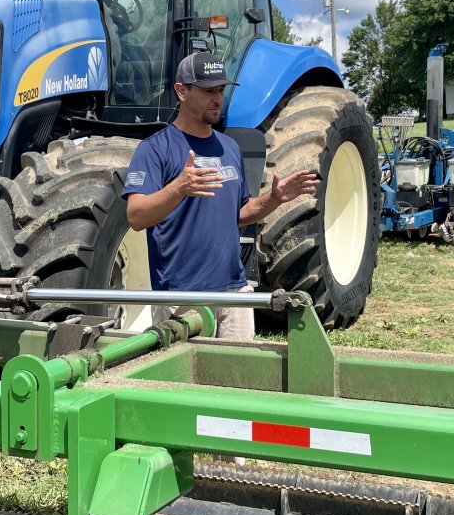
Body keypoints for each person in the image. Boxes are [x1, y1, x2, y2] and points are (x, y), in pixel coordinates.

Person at [123, 51, 319, 339]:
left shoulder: (229, 148)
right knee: (188, 383)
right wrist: (179, 187)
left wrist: (273, 199)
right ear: (182, 91)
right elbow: (136, 216)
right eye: (207, 91)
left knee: (239, 381)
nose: (217, 98)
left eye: (221, 90)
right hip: (181, 296)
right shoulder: (154, 149)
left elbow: (239, 214)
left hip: (234, 291)